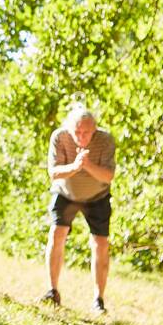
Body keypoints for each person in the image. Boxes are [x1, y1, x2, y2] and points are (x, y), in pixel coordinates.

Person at [42, 103, 117, 314]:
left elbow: (108, 176)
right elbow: (54, 173)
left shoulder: (105, 140)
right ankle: (52, 290)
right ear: (69, 129)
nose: (81, 136)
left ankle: (98, 299)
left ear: (94, 129)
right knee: (57, 234)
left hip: (97, 196)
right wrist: (75, 167)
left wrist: (87, 165)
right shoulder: (59, 137)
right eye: (77, 132)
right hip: (65, 192)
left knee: (100, 243)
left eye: (86, 132)